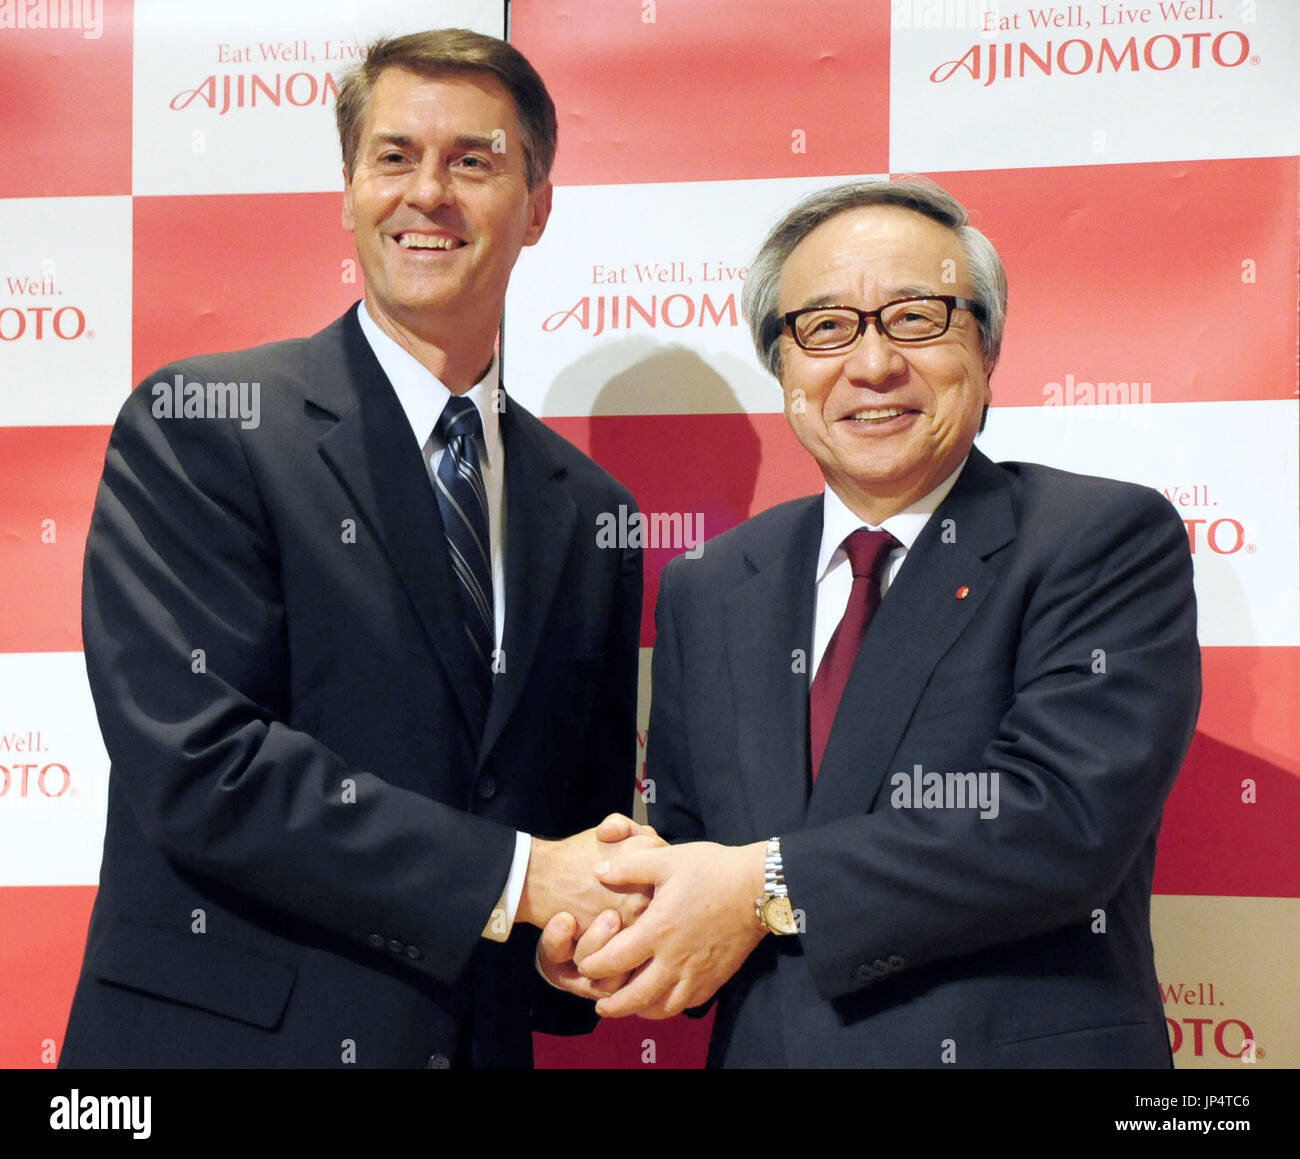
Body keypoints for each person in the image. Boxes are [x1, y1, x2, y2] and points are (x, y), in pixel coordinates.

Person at [61, 28, 646, 1069]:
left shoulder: (589, 509)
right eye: (393, 157)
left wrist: (581, 936)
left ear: (539, 205)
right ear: (347, 191)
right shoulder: (207, 424)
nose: (430, 192)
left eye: (474, 160)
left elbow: (569, 815)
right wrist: (518, 878)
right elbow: (205, 762)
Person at [548, 178, 1201, 1068]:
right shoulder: (710, 585)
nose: (872, 363)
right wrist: (616, 919)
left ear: (987, 344)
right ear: (783, 367)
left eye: (917, 317)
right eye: (825, 326)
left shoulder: (1099, 537)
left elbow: (1062, 822)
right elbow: (698, 850)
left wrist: (760, 885)